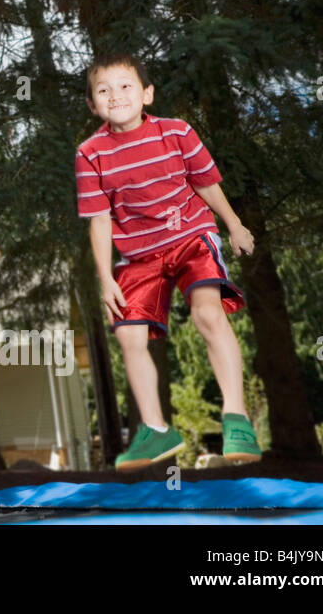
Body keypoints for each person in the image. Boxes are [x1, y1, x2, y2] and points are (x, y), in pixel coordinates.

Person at [76, 53, 262, 469]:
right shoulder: (90, 154)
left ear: (147, 93)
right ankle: (157, 430)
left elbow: (206, 183)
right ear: (93, 106)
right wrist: (106, 277)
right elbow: (99, 220)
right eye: (103, 91)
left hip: (191, 235)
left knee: (207, 315)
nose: (116, 95)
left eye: (126, 86)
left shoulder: (177, 132)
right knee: (128, 335)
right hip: (138, 254)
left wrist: (234, 225)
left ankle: (236, 417)